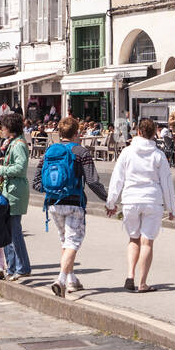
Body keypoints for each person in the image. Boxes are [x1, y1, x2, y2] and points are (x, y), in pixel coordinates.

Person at [32, 116, 108, 299]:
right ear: (77, 133)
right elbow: (92, 181)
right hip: (74, 202)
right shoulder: (81, 152)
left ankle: (72, 279)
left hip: (52, 204)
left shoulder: (49, 151)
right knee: (73, 242)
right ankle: (61, 280)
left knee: (65, 241)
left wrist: (52, 189)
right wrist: (108, 199)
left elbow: (35, 183)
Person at [106, 118, 175, 292]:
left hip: (130, 200)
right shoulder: (158, 155)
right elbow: (167, 183)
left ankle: (130, 276)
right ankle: (143, 283)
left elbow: (117, 178)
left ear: (138, 132)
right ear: (154, 134)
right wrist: (171, 207)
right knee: (147, 242)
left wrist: (111, 202)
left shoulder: (127, 152)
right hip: (152, 200)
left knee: (133, 239)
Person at [0, 112, 32, 280]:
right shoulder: (13, 143)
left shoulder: (18, 144)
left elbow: (20, 168)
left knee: (14, 233)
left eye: (3, 127)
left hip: (15, 192)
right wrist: (3, 163)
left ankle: (22, 266)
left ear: (9, 128)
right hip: (10, 190)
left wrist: (2, 170)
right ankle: (12, 267)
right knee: (9, 232)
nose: (1, 130)